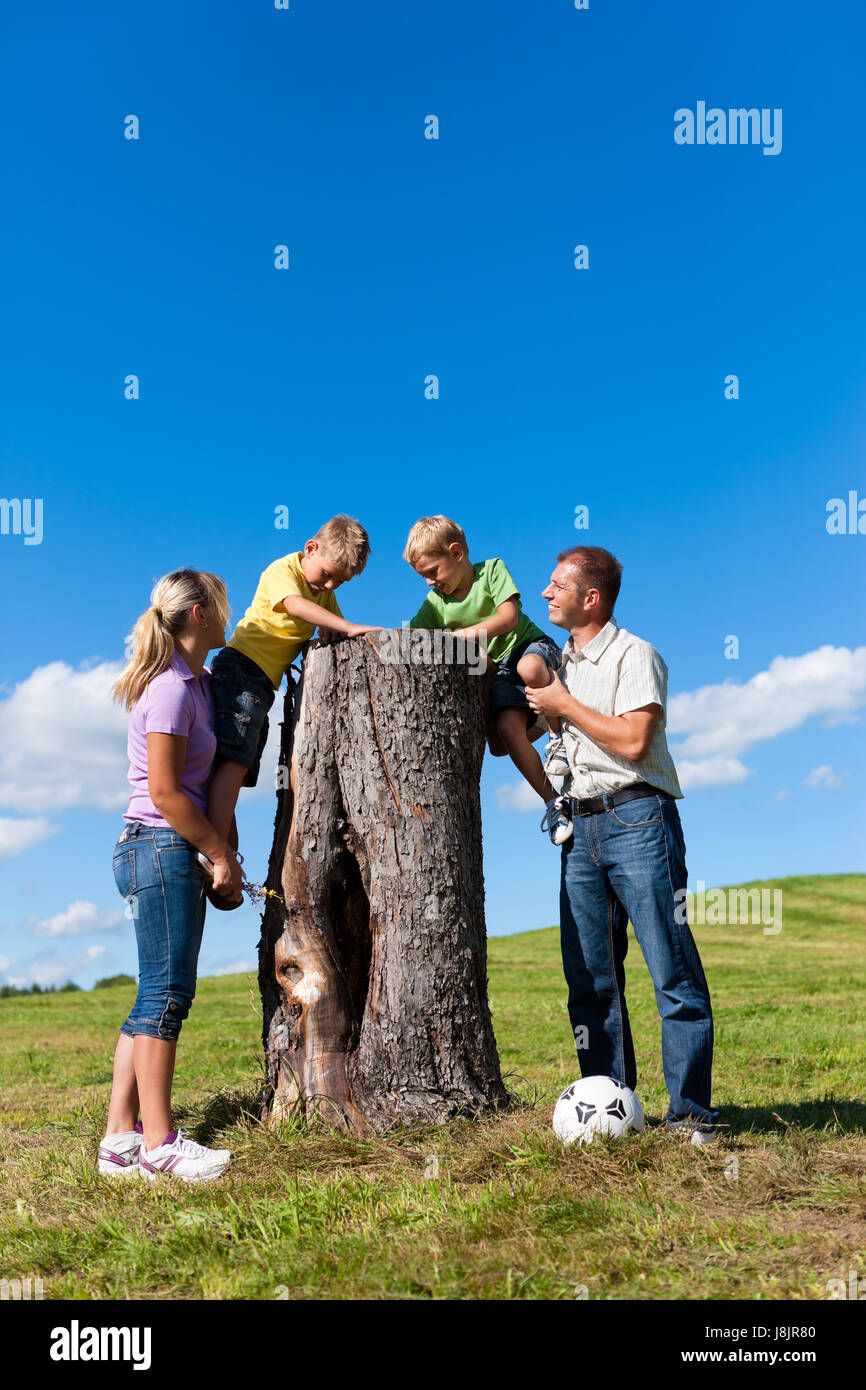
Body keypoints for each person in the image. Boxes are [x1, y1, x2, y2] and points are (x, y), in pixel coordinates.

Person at [526, 545, 720, 1142]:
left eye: (558, 585)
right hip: (578, 828)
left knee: (670, 966)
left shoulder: (636, 654)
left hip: (637, 816)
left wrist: (562, 704)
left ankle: (691, 1115)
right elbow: (520, 727)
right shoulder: (558, 662)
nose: (545, 593)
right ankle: (608, 1114)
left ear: (592, 597)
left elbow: (635, 741)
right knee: (589, 978)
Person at [100, 569, 242, 1183]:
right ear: (196, 616)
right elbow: (163, 792)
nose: (227, 611)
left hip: (163, 848)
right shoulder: (171, 690)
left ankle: (117, 1140)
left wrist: (217, 849)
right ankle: (160, 1143)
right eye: (219, 604)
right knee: (166, 994)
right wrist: (220, 854)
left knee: (152, 993)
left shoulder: (200, 683)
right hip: (160, 845)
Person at [206, 516, 381, 861]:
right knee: (233, 761)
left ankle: (224, 847)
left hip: (258, 683)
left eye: (340, 582)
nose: (329, 586)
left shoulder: (323, 593)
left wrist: (332, 630)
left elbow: (325, 623)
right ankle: (215, 849)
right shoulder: (282, 571)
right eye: (327, 574)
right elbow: (296, 606)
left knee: (240, 767)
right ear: (310, 549)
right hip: (241, 668)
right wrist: (345, 625)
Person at [404, 515, 571, 836]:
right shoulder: (435, 603)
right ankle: (554, 802)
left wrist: (460, 636)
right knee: (506, 734)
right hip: (501, 673)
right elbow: (409, 637)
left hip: (528, 647)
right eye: (422, 577)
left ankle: (556, 737)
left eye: (432, 572)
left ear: (456, 553)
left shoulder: (491, 570)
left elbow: (508, 618)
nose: (429, 582)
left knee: (530, 667)